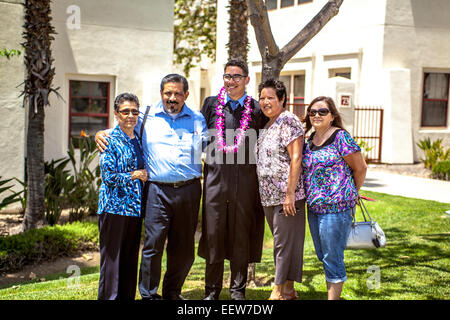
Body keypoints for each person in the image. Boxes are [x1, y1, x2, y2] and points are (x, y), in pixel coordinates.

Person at [96, 74, 208, 300]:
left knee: (184, 248)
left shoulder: (198, 119)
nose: (172, 98)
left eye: (177, 93)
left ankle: (172, 292)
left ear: (186, 94)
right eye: (168, 93)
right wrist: (99, 133)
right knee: (152, 245)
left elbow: (213, 145)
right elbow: (122, 128)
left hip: (189, 189)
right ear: (161, 94)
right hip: (157, 190)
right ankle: (148, 294)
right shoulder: (146, 116)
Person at [198, 59, 268, 300]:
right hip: (216, 180)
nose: (231, 81)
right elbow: (196, 134)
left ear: (247, 80)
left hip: (246, 182)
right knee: (214, 234)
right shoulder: (210, 105)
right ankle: (212, 291)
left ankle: (238, 290)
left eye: (236, 76)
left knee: (240, 235)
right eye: (227, 76)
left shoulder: (257, 110)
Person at [302, 96, 367, 300]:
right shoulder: (309, 140)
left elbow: (360, 167)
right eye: (312, 112)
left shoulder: (340, 137)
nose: (316, 115)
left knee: (332, 256)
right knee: (323, 255)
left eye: (322, 111)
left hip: (336, 209)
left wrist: (352, 192)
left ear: (332, 116)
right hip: (314, 209)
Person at [255, 79, 305, 300]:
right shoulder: (268, 125)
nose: (265, 102)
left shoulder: (288, 121)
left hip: (287, 196)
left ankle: (277, 291)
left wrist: (290, 193)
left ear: (282, 99)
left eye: (270, 98)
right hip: (269, 196)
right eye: (262, 98)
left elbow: (296, 158)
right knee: (283, 242)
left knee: (283, 244)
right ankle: (289, 290)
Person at [97, 93, 148, 300]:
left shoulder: (138, 137)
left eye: (134, 111)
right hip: (114, 208)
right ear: (116, 114)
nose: (130, 115)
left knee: (129, 259)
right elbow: (108, 177)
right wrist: (134, 175)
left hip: (134, 209)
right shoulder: (109, 139)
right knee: (112, 262)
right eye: (125, 111)